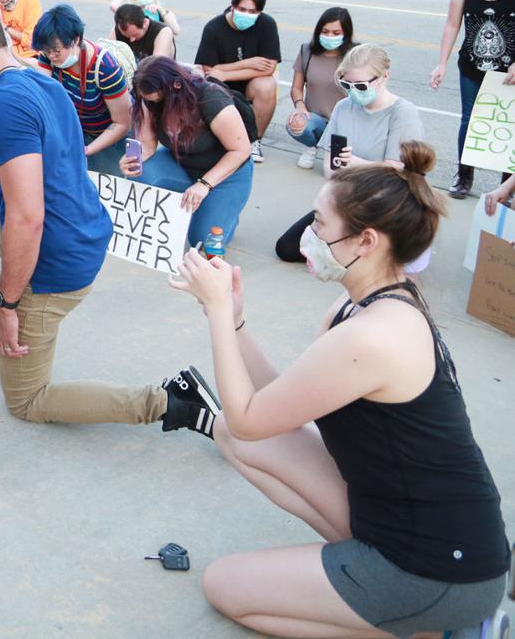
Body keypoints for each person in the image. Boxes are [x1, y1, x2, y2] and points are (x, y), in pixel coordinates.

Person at [169, 143, 510, 639]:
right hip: (408, 521)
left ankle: (435, 628)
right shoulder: (365, 304)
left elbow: (248, 413)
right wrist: (236, 320)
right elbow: (269, 409)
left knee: (225, 586)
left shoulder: (373, 335)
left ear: (366, 240)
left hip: (440, 569)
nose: (308, 233)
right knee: (232, 435)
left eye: (320, 224)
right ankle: (379, 591)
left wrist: (218, 313)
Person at [0, 0, 219, 436]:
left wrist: (8, 304)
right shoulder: (40, 82)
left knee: (27, 401)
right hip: (81, 233)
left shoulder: (3, 106)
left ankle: (170, 402)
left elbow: (27, 218)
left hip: (54, 262)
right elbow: (7, 187)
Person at [276, 44, 426, 266]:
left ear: (384, 77)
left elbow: (401, 171)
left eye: (361, 85)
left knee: (357, 258)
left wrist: (354, 164)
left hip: (388, 202)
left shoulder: (403, 112)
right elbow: (330, 167)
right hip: (349, 197)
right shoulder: (344, 107)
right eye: (347, 84)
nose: (353, 90)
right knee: (287, 248)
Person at [119, 56, 256, 247]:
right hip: (182, 163)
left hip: (226, 172)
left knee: (204, 240)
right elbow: (148, 146)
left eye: (158, 99)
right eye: (150, 100)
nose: (154, 104)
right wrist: (131, 161)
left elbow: (241, 150)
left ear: (175, 86)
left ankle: (226, 212)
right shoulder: (149, 97)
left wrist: (204, 184)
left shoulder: (211, 98)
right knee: (139, 175)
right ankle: (189, 208)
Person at [430, 0, 515, 199]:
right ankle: (464, 176)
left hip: (508, 70)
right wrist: (441, 63)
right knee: (470, 119)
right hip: (471, 65)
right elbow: (452, 25)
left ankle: (507, 184)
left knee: (507, 123)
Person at [31, 3, 132, 175]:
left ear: (76, 40)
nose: (51, 57)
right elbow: (43, 97)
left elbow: (123, 123)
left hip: (103, 136)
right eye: (46, 52)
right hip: (73, 129)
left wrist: (86, 150)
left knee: (100, 184)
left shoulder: (105, 68)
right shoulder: (49, 55)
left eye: (56, 51)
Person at [195, 0, 281, 163]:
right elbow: (210, 72)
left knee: (267, 85)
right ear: (232, 6)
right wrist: (247, 63)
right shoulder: (214, 27)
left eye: (252, 11)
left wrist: (225, 71)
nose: (246, 15)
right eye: (242, 9)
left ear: (260, 12)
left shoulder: (267, 24)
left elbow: (268, 68)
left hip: (252, 83)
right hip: (220, 86)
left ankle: (254, 140)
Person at [286, 7, 355, 170]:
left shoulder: (354, 55)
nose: (329, 36)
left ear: (346, 33)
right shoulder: (307, 51)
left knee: (334, 172)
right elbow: (296, 87)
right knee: (294, 125)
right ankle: (313, 146)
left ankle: (334, 148)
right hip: (316, 118)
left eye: (336, 33)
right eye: (325, 31)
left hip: (344, 121)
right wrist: (300, 106)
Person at [109, 0, 182, 36]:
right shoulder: (132, 13)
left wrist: (161, 10)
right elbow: (113, 5)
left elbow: (176, 31)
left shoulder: (163, 13)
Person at [112, 3, 177, 62]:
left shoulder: (162, 32)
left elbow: (158, 67)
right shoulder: (118, 29)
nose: (131, 40)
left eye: (135, 35)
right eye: (126, 36)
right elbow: (109, 56)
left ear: (144, 23)